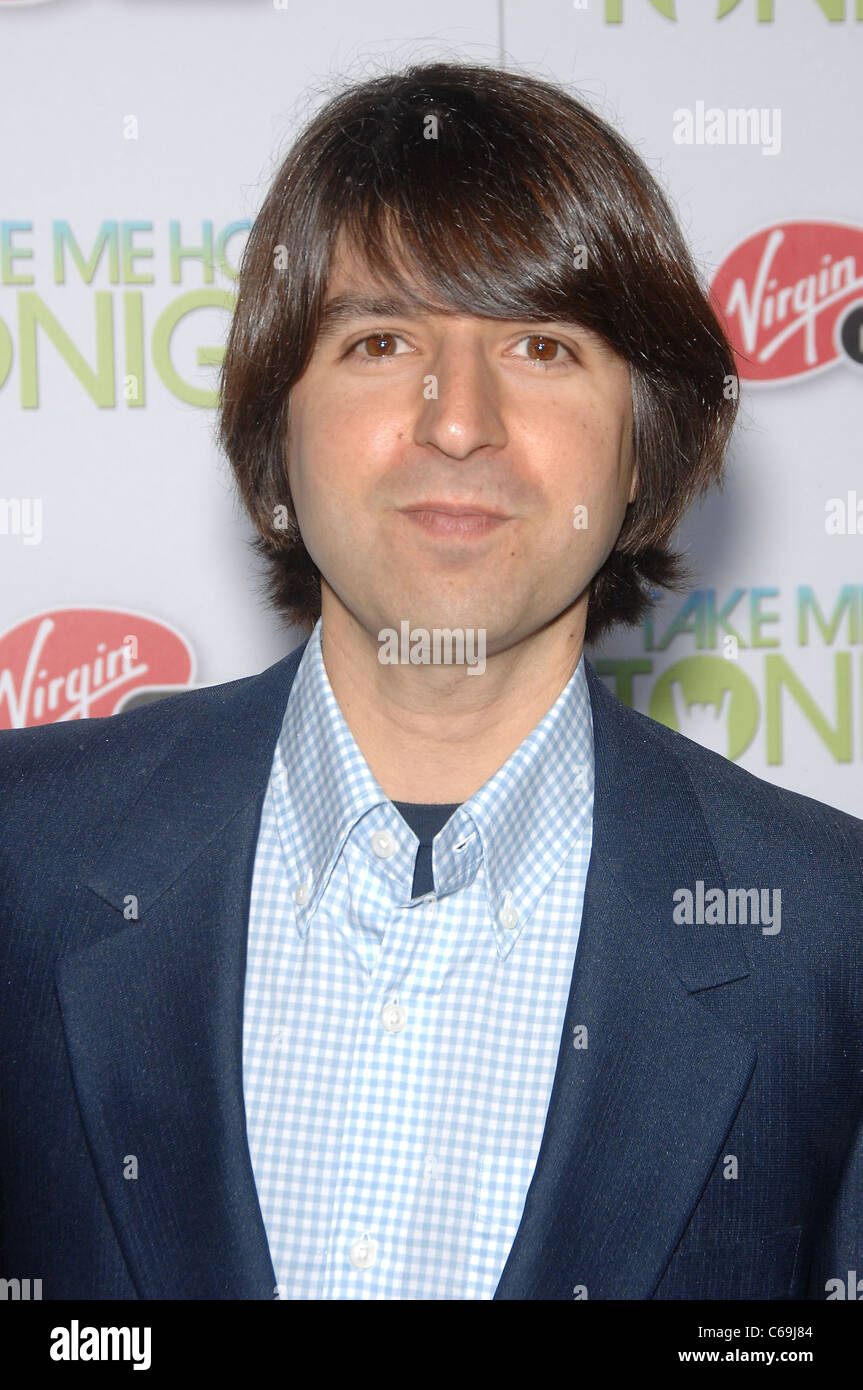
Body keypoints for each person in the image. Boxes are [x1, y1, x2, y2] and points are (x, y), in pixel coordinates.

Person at [1, 61, 860, 1302]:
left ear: (643, 446)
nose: (457, 420)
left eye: (540, 344)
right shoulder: (25, 857)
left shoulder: (822, 938)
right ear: (276, 428)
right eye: (381, 339)